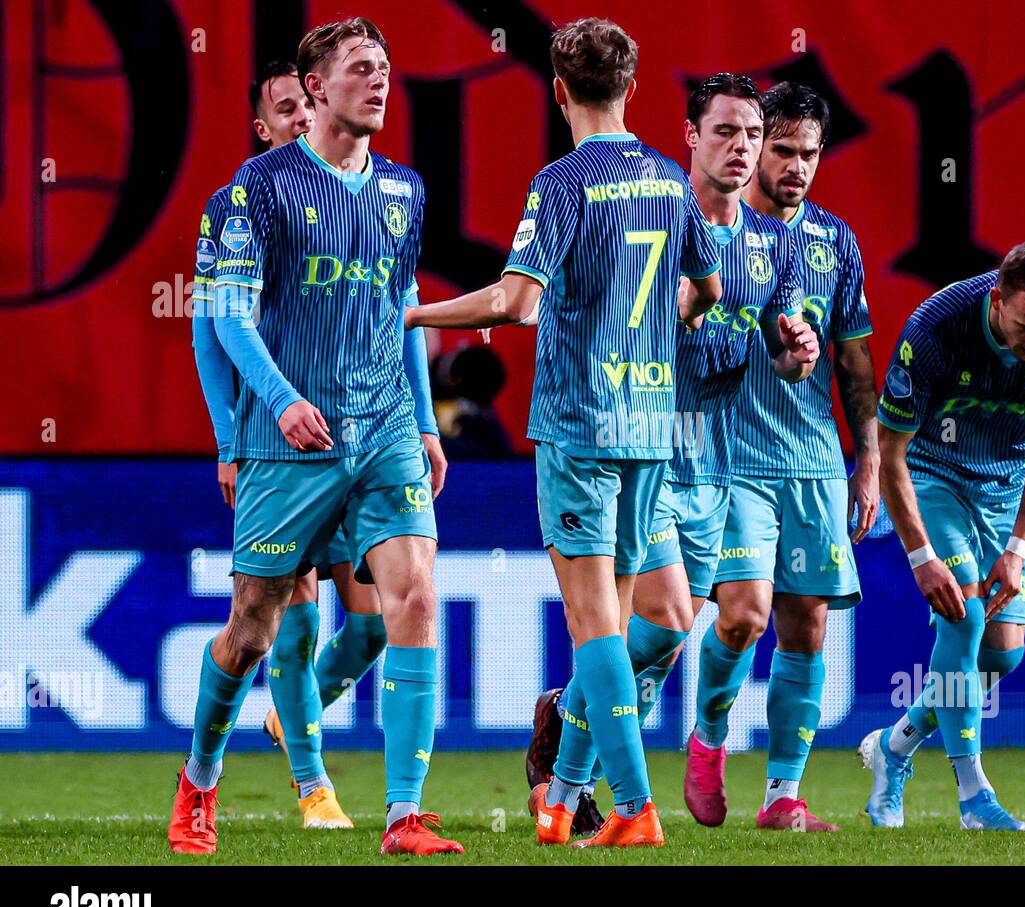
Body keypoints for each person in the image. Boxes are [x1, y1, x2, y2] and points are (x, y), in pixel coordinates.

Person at [405, 17, 723, 848]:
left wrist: (411, 310)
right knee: (616, 620)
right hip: (652, 423)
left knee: (595, 626)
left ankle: (635, 809)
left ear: (557, 91)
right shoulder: (667, 178)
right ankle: (561, 801)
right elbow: (708, 289)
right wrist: (657, 323)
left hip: (583, 423)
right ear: (634, 83)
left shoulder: (562, 181)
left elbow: (513, 303)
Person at [171, 16, 460, 856]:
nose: (379, 81)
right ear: (318, 85)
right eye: (362, 68)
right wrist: (277, 403)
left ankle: (404, 815)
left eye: (387, 68)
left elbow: (397, 310)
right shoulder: (254, 191)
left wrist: (421, 418)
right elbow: (222, 314)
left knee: (412, 599)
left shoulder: (405, 190)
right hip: (288, 443)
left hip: (384, 436)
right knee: (254, 626)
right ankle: (200, 780)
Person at [523, 72, 819, 842]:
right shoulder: (653, 208)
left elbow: (776, 350)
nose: (742, 148)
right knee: (665, 618)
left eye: (753, 135)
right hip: (642, 450)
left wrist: (794, 353)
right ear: (691, 136)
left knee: (659, 639)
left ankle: (562, 779)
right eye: (724, 132)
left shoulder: (771, 244)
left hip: (716, 466)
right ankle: (594, 792)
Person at [683, 82, 880, 831]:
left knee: (807, 625)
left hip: (814, 463)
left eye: (810, 153)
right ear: (753, 147)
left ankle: (782, 797)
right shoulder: (714, 230)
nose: (796, 166)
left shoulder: (835, 240)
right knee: (742, 615)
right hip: (731, 456)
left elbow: (855, 363)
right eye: (783, 149)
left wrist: (865, 460)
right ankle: (708, 738)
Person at [859, 241, 1025, 831]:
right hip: (932, 474)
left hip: (1004, 489)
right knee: (965, 618)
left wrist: (1019, 545)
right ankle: (974, 796)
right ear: (998, 301)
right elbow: (890, 451)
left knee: (1002, 653)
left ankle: (893, 747)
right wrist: (920, 555)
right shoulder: (936, 328)